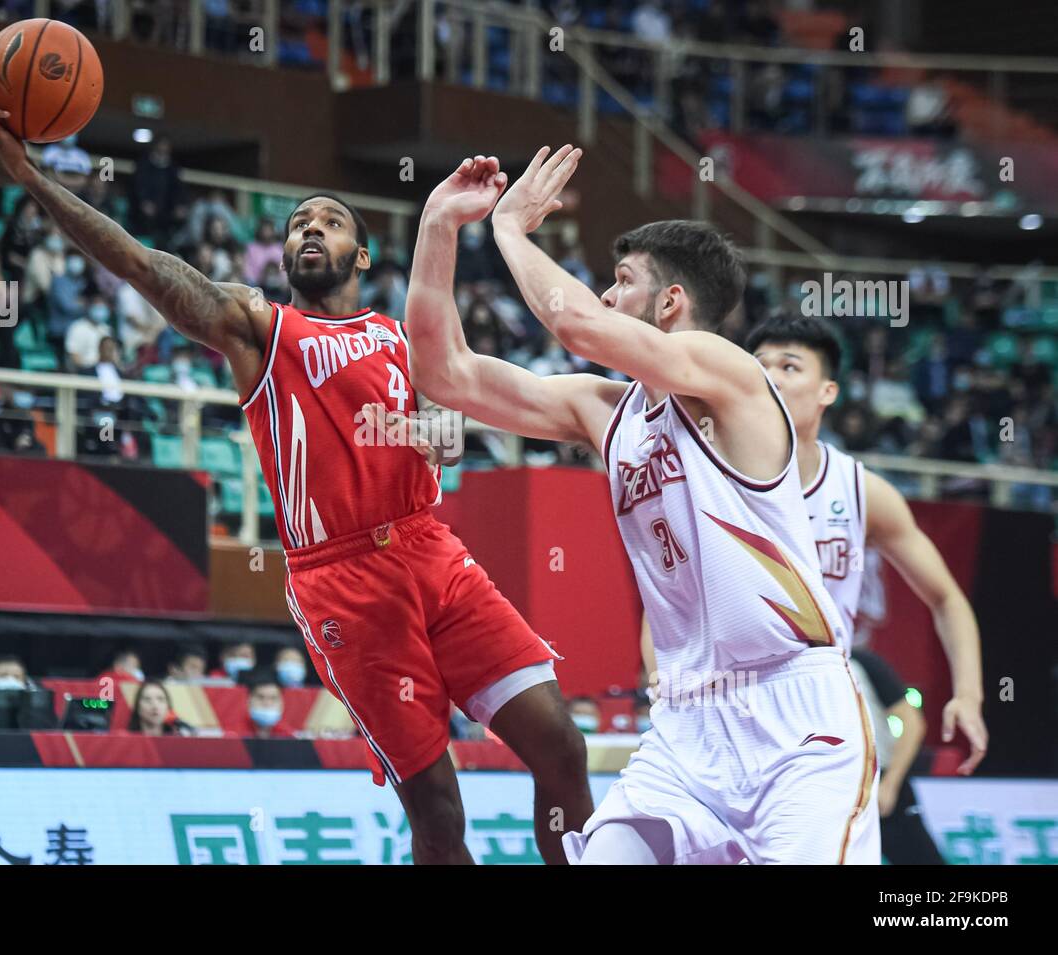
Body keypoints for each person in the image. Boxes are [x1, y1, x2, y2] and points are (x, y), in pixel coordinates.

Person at [0, 71, 591, 865]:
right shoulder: (260, 329)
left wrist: (431, 430)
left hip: (431, 548)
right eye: (298, 222)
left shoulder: (409, 337)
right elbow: (139, 263)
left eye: (330, 222)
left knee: (562, 746)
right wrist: (32, 178)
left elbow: (455, 426)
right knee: (437, 809)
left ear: (361, 253)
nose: (310, 229)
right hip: (343, 580)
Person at [406, 148, 871, 864]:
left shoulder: (730, 372)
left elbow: (578, 328)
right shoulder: (605, 410)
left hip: (796, 717)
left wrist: (509, 232)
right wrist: (439, 226)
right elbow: (446, 373)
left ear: (672, 301)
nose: (604, 296)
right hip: (686, 730)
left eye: (621, 281)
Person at [744, 314, 988, 773]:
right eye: (760, 364)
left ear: (827, 393)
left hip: (819, 710)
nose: (771, 376)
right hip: (727, 704)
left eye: (790, 366)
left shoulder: (861, 491)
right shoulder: (707, 475)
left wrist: (969, 695)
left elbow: (947, 597)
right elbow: (671, 593)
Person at [847, 647, 945, 863]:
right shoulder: (780, 669)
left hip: (882, 785)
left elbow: (913, 723)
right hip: (828, 788)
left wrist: (890, 784)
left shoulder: (861, 663)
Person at [128, 680, 195, 736]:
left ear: (168, 707)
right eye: (147, 699)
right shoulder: (126, 740)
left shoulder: (178, 738)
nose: (155, 706)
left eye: (160, 699)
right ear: (138, 707)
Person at [246, 674, 290, 739]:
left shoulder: (290, 737)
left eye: (273, 698)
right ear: (248, 701)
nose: (267, 703)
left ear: (282, 703)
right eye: (260, 697)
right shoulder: (233, 735)